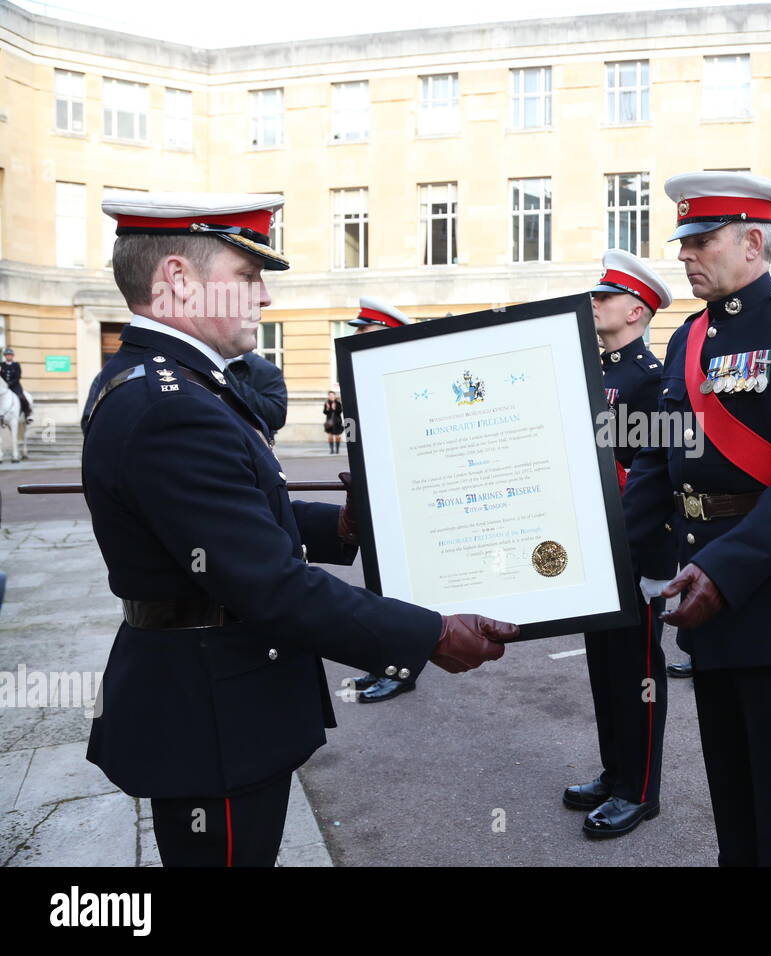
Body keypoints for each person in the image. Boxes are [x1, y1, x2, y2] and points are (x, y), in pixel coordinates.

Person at [84, 192, 515, 866]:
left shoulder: (177, 383)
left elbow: (236, 523)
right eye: (247, 278)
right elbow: (270, 587)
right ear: (176, 279)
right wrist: (428, 633)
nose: (264, 299)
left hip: (216, 695)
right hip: (213, 717)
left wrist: (340, 527)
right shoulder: (170, 403)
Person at [620, 171, 771, 866]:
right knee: (727, 771)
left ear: (753, 241)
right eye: (683, 241)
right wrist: (613, 558)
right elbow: (660, 464)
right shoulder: (686, 339)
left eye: (702, 240)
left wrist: (723, 570)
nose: (686, 255)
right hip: (701, 587)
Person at [563, 250, 678, 838]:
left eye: (604, 297)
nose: (594, 303)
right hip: (596, 541)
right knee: (605, 670)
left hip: (632, 548)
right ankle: (613, 773)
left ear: (635, 310)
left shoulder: (653, 380)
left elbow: (657, 476)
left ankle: (640, 789)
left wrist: (651, 560)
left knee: (637, 672)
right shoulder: (599, 371)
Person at [339, 297, 419, 703]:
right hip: (378, 498)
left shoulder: (401, 381)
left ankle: (402, 670)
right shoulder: (371, 378)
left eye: (363, 330)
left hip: (402, 499)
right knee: (379, 588)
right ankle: (384, 663)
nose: (355, 336)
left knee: (399, 590)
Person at [226, 349, 287, 441]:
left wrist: (232, 380)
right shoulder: (199, 363)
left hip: (247, 447)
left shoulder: (264, 369)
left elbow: (276, 417)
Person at [1, 347, 32, 423]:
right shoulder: (2, 365)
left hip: (15, 386)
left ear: (12, 356)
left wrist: (10, 383)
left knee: (22, 398)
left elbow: (18, 376)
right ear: (5, 356)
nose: (8, 356)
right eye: (7, 355)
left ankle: (27, 414)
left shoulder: (16, 365)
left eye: (10, 355)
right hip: (4, 387)